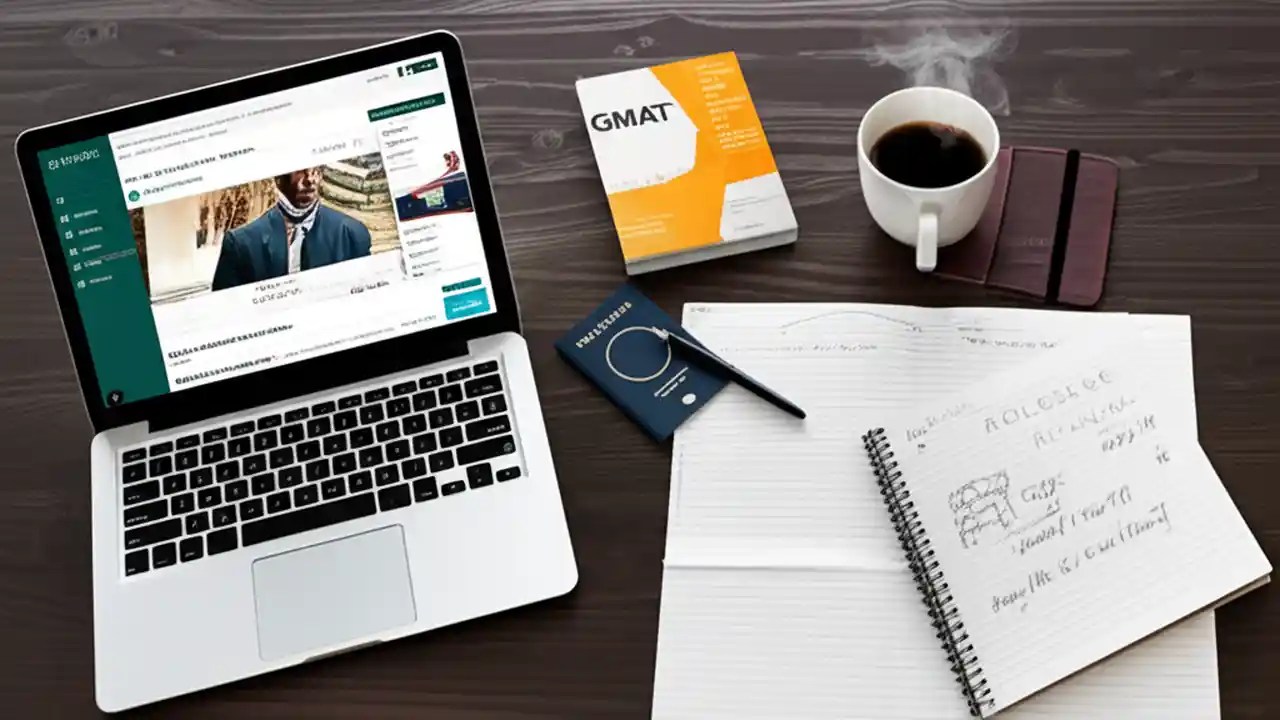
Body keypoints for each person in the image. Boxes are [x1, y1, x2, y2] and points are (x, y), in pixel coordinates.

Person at [211, 167, 371, 291]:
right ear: (278, 178)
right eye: (300, 170)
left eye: (316, 169)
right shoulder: (241, 244)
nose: (310, 179)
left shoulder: (351, 235)